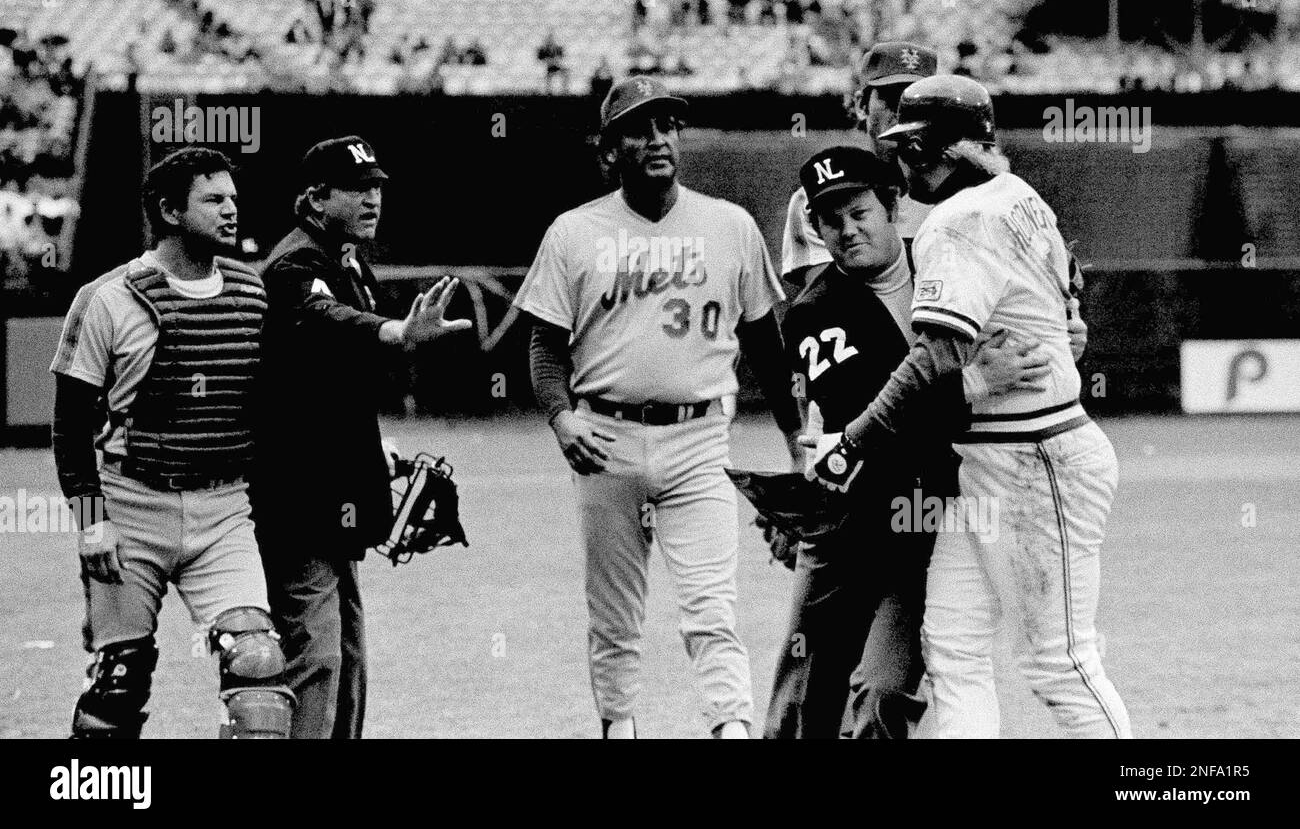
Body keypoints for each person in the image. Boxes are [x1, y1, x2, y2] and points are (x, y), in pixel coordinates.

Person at [804, 76, 1132, 739]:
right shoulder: (1018, 194)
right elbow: (1061, 296)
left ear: (949, 149)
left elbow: (934, 360)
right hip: (995, 458)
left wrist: (849, 445)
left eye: (914, 146)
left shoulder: (956, 222)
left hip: (1034, 458)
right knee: (953, 648)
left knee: (1060, 664)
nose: (903, 160)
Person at [516, 76, 802, 739]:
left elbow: (766, 343)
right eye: (640, 129)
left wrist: (798, 438)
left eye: (667, 125)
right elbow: (544, 346)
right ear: (611, 147)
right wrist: (562, 416)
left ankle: (729, 727)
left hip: (699, 438)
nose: (658, 139)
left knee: (712, 609)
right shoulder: (575, 232)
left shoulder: (728, 226)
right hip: (607, 437)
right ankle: (620, 726)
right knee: (613, 618)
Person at [765, 145, 1050, 739]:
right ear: (814, 228)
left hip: (934, 522)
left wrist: (1062, 332)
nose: (846, 230)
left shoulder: (950, 262)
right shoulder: (815, 314)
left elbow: (1027, 324)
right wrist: (972, 383)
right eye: (829, 219)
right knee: (803, 704)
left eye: (859, 212)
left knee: (883, 690)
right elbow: (872, 421)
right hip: (855, 525)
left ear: (893, 206)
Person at [50, 146, 293, 739]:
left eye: (233, 198)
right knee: (119, 684)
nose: (231, 210)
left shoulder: (252, 293)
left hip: (224, 509)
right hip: (129, 508)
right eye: (214, 200)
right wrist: (91, 521)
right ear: (170, 210)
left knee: (259, 668)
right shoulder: (108, 298)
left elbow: (274, 408)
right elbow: (69, 429)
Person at [254, 136, 470, 739]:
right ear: (316, 199)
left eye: (377, 186)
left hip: (333, 484)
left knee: (348, 659)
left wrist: (374, 449)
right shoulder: (295, 265)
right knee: (315, 660)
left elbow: (324, 382)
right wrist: (396, 331)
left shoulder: (347, 259)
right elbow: (327, 323)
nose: (374, 197)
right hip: (298, 496)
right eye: (358, 187)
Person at [781, 41, 938, 291]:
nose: (905, 113)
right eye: (892, 99)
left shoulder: (961, 194)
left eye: (919, 101)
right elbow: (829, 304)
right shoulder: (818, 198)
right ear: (862, 106)